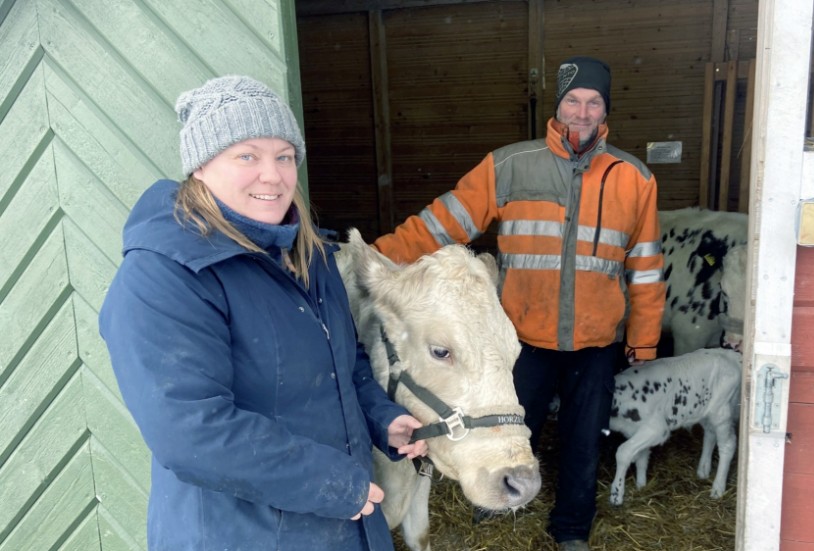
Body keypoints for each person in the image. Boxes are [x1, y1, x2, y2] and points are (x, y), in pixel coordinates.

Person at [99, 75, 427, 551]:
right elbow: (191, 432)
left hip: (348, 524)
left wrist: (383, 417)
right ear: (201, 166)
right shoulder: (163, 276)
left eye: (284, 156)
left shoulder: (307, 252)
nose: (272, 175)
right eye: (247, 155)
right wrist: (332, 484)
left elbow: (345, 361)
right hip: (242, 534)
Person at [373, 56, 666, 551]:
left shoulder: (633, 179)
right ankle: (490, 505)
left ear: (604, 110)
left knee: (583, 439)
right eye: (573, 101)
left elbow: (647, 266)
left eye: (593, 102)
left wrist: (644, 338)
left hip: (595, 340)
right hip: (522, 339)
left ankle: (571, 528)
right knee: (508, 425)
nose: (582, 111)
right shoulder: (511, 164)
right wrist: (374, 261)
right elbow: (443, 223)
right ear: (558, 107)